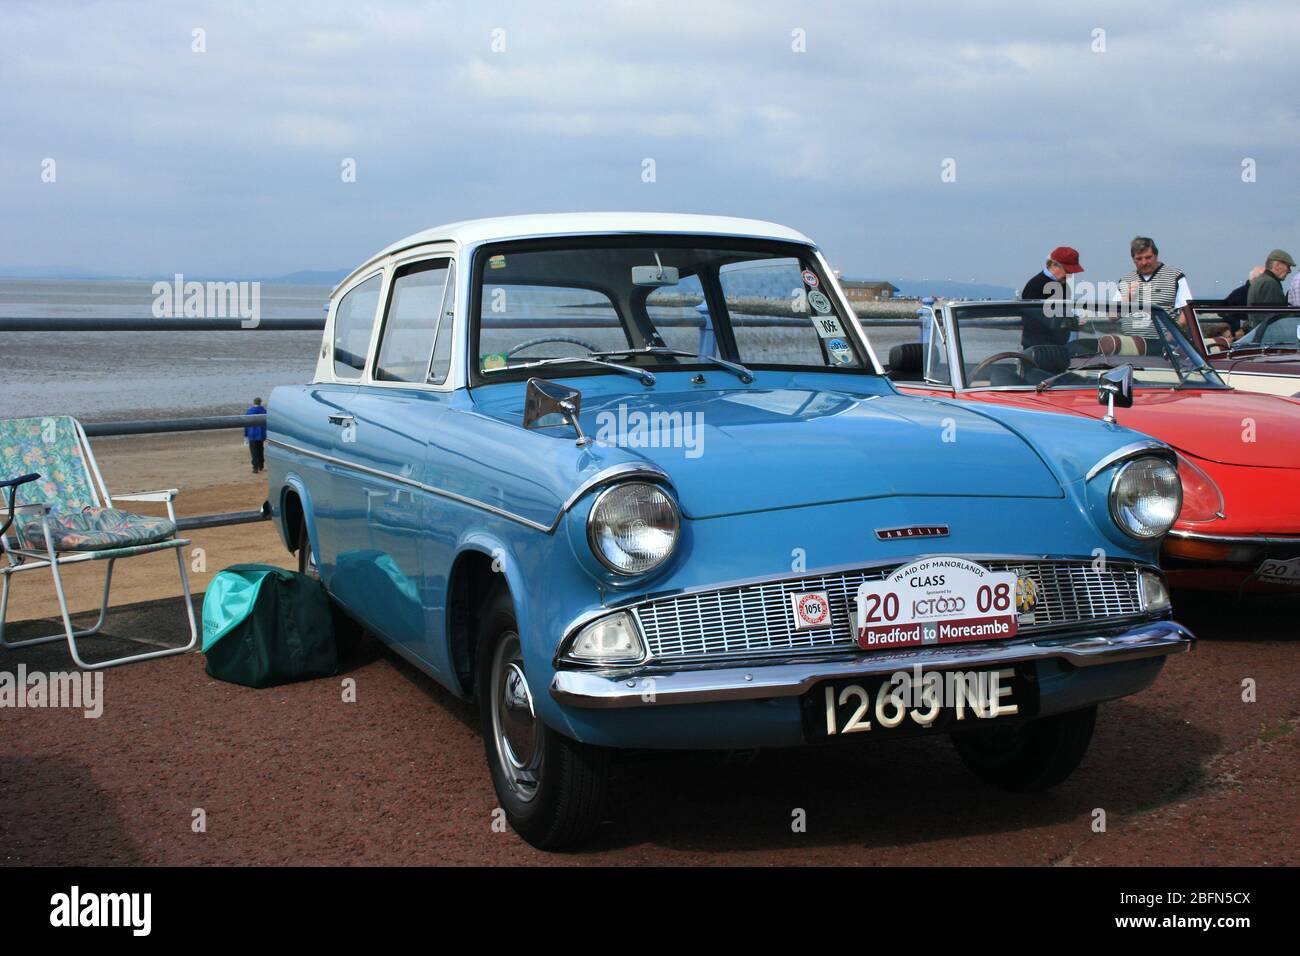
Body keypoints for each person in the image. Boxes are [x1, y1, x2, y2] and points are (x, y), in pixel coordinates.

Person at [1116, 236, 1192, 330]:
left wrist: (1175, 332)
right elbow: (1112, 316)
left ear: (1156, 255)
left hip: (1165, 342)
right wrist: (1127, 299)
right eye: (1139, 259)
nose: (1144, 262)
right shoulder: (1126, 280)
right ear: (1133, 259)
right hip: (1133, 342)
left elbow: (1187, 309)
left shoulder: (1174, 275)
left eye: (1148, 257)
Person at [1020, 246, 1083, 347]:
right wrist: (1065, 322)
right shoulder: (1035, 285)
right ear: (1053, 265)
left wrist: (1074, 320)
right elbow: (1031, 320)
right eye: (1067, 271)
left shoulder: (1063, 285)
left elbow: (1063, 312)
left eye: (1071, 273)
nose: (1069, 276)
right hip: (1038, 347)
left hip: (1058, 346)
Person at [245, 397, 267, 474]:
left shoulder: (249, 411)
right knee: (260, 449)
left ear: (254, 403)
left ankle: (255, 467)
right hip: (261, 434)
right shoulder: (264, 411)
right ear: (260, 402)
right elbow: (266, 424)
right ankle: (261, 465)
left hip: (252, 434)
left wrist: (246, 434)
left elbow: (246, 424)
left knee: (254, 451)